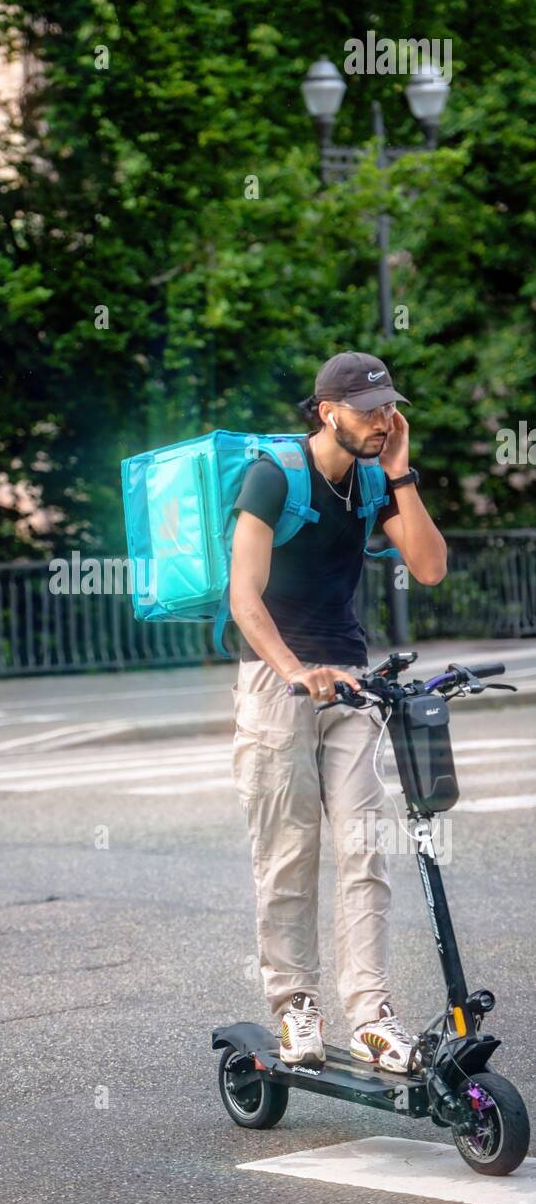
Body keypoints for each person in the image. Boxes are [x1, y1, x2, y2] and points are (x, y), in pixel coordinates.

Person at [229, 351, 447, 1073]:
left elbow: (430, 565)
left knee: (366, 847)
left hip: (350, 680)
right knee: (289, 854)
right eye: (368, 411)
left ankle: (371, 1016)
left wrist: (401, 472)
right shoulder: (273, 476)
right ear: (328, 411)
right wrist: (296, 673)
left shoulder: (373, 477)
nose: (383, 421)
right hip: (277, 682)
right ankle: (295, 1006)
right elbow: (244, 596)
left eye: (390, 409)